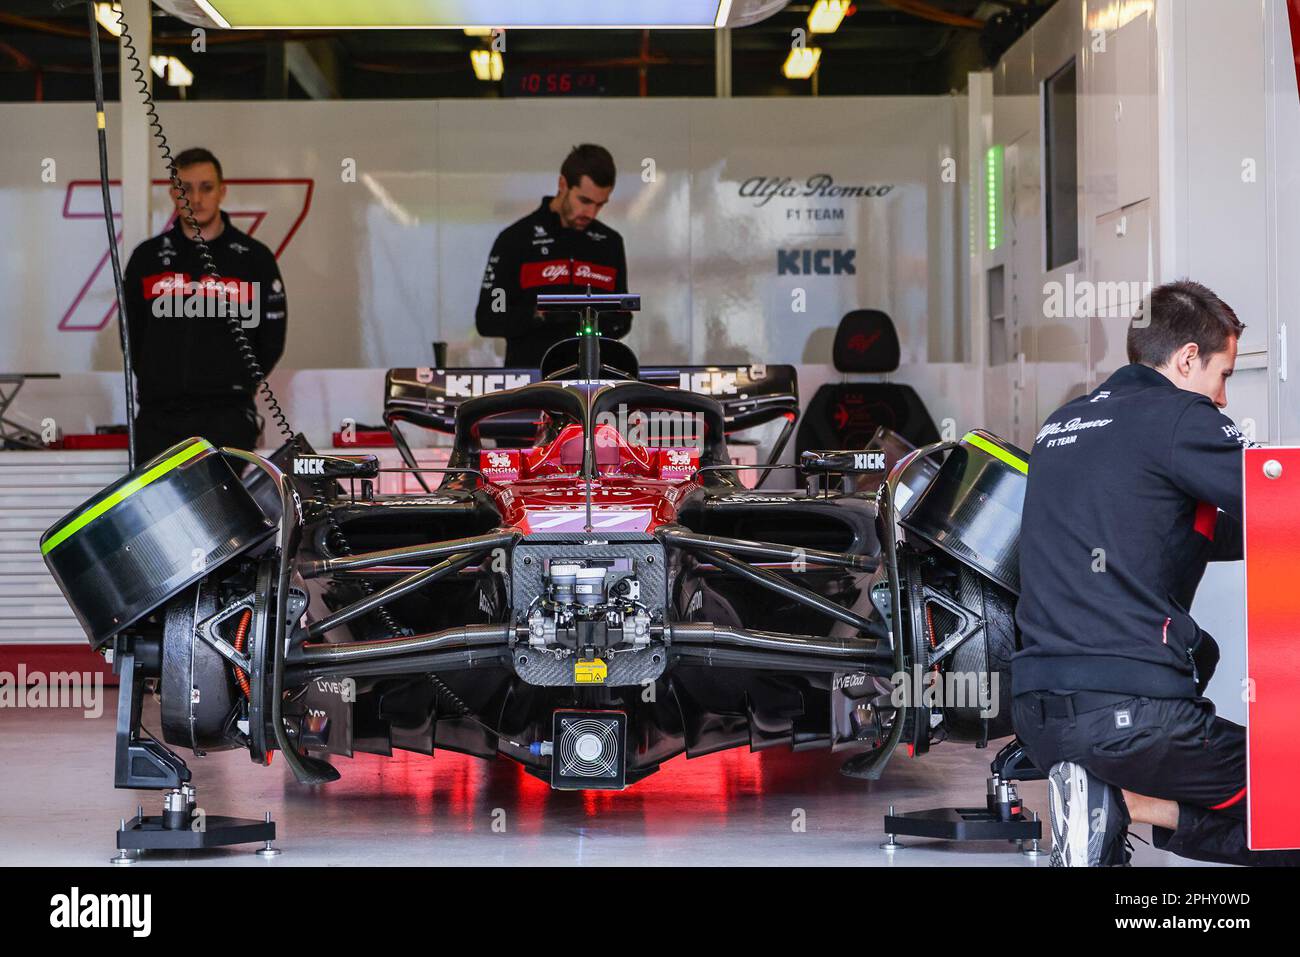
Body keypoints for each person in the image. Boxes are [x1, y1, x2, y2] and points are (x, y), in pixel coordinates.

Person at [1012, 279, 1300, 867]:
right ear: (1188, 358)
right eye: (1223, 375)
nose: (1222, 398)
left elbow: (1158, 526)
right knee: (1286, 804)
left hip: (1041, 719)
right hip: (1133, 719)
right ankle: (1125, 803)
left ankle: (1110, 801)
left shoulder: (1061, 424)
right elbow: (1281, 493)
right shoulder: (1178, 416)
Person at [123, 147, 287, 462]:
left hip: (228, 417)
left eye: (206, 187)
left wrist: (234, 380)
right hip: (159, 420)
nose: (195, 198)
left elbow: (272, 339)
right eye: (185, 188)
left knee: (223, 511)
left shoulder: (253, 259)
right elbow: (131, 335)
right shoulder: (147, 258)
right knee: (161, 511)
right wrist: (160, 379)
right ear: (173, 192)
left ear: (222, 191)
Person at [475, 144, 630, 367]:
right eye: (584, 201)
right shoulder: (515, 240)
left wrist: (593, 322)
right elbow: (488, 319)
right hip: (531, 383)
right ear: (562, 185)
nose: (591, 212)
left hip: (593, 382)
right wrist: (541, 315)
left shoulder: (610, 243)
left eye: (600, 204)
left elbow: (623, 317)